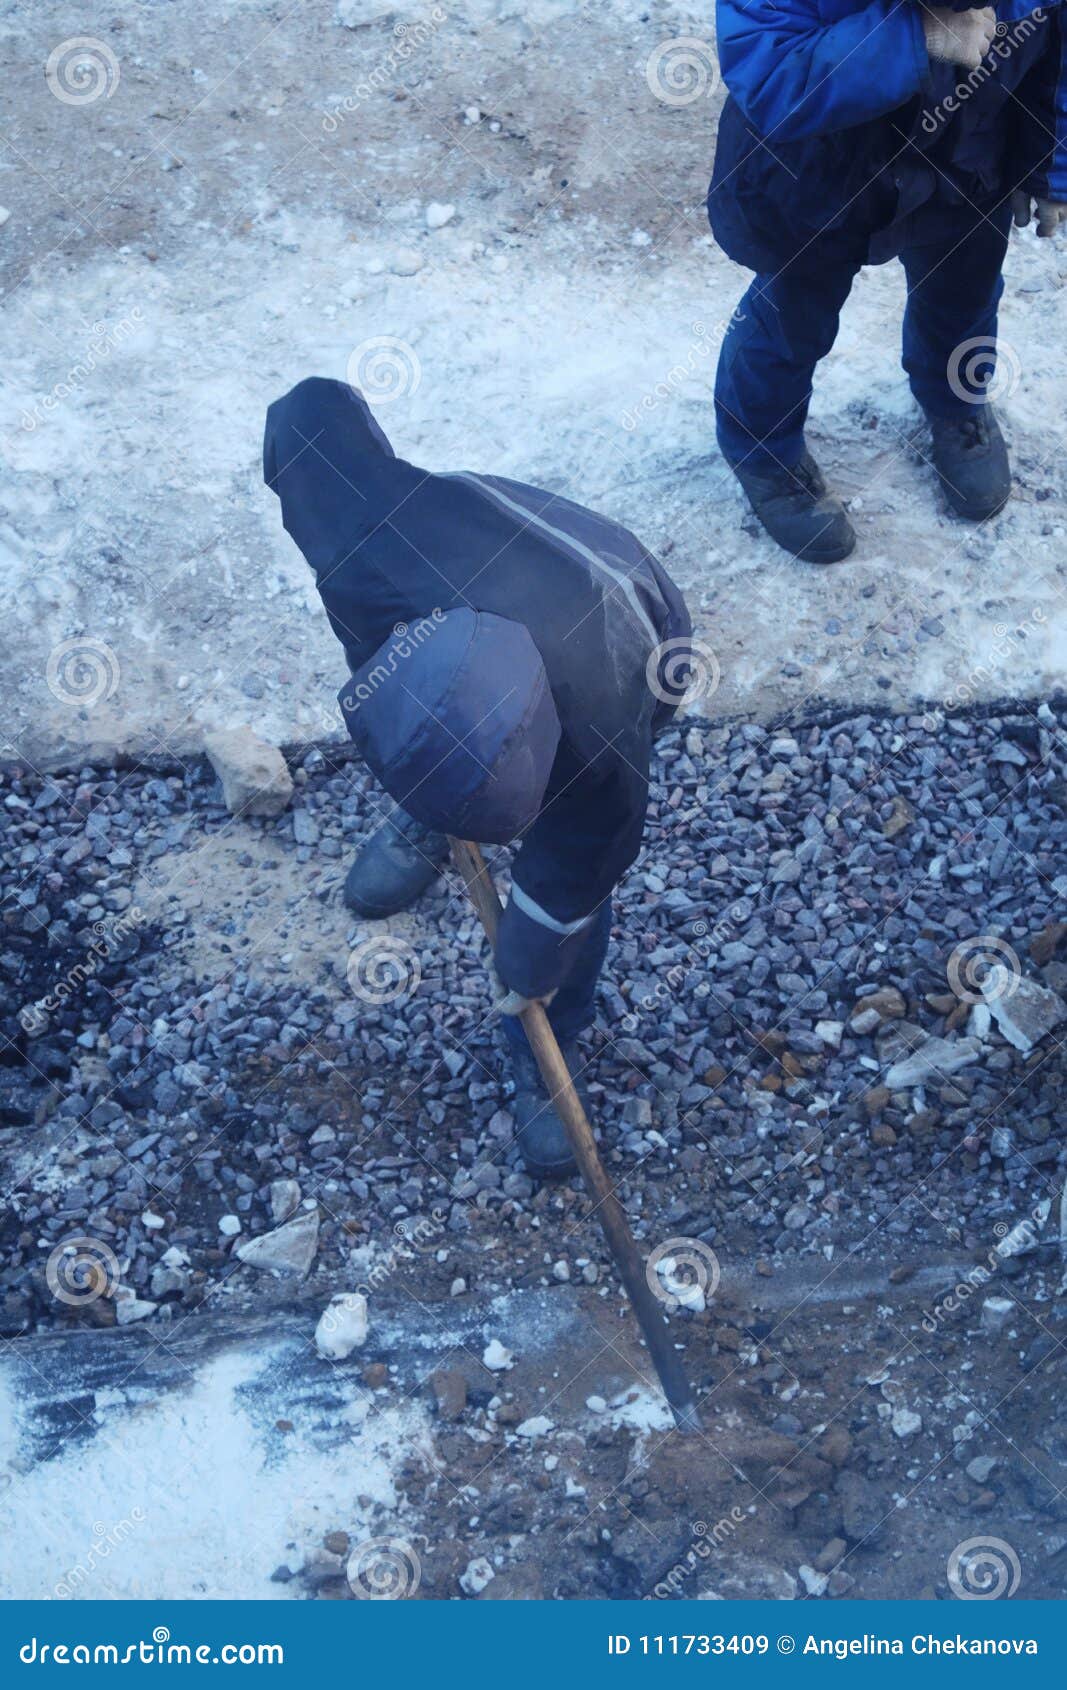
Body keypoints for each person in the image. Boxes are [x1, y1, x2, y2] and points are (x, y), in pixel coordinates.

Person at [263, 377, 692, 1178]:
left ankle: (548, 1038)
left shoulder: (600, 744)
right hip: (485, 560)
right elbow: (309, 425)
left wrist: (528, 968)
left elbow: (575, 878)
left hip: (630, 614)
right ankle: (434, 808)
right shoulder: (371, 545)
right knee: (441, 738)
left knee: (559, 916)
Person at [707, 1, 1067, 561]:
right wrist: (912, 37)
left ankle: (956, 404)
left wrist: (1053, 166)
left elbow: (1060, 47)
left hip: (972, 156)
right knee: (789, 320)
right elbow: (768, 71)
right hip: (817, 172)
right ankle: (761, 446)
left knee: (963, 299)